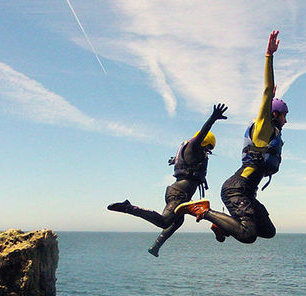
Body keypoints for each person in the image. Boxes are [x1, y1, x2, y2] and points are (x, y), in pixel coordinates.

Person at [175, 30, 287, 244]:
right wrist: (269, 56)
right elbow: (266, 90)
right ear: (274, 114)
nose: (286, 120)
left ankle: (221, 224)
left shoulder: (273, 133)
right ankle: (203, 210)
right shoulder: (263, 127)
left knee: (268, 231)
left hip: (248, 193)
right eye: (284, 115)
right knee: (248, 235)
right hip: (236, 189)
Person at [107, 103, 228, 256]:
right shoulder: (194, 146)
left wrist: (174, 161)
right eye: (208, 148)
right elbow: (203, 133)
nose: (208, 152)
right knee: (164, 221)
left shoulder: (190, 152)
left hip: (180, 193)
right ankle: (129, 208)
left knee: (178, 221)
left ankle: (155, 247)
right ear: (204, 142)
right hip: (179, 194)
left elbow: (183, 161)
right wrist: (213, 118)